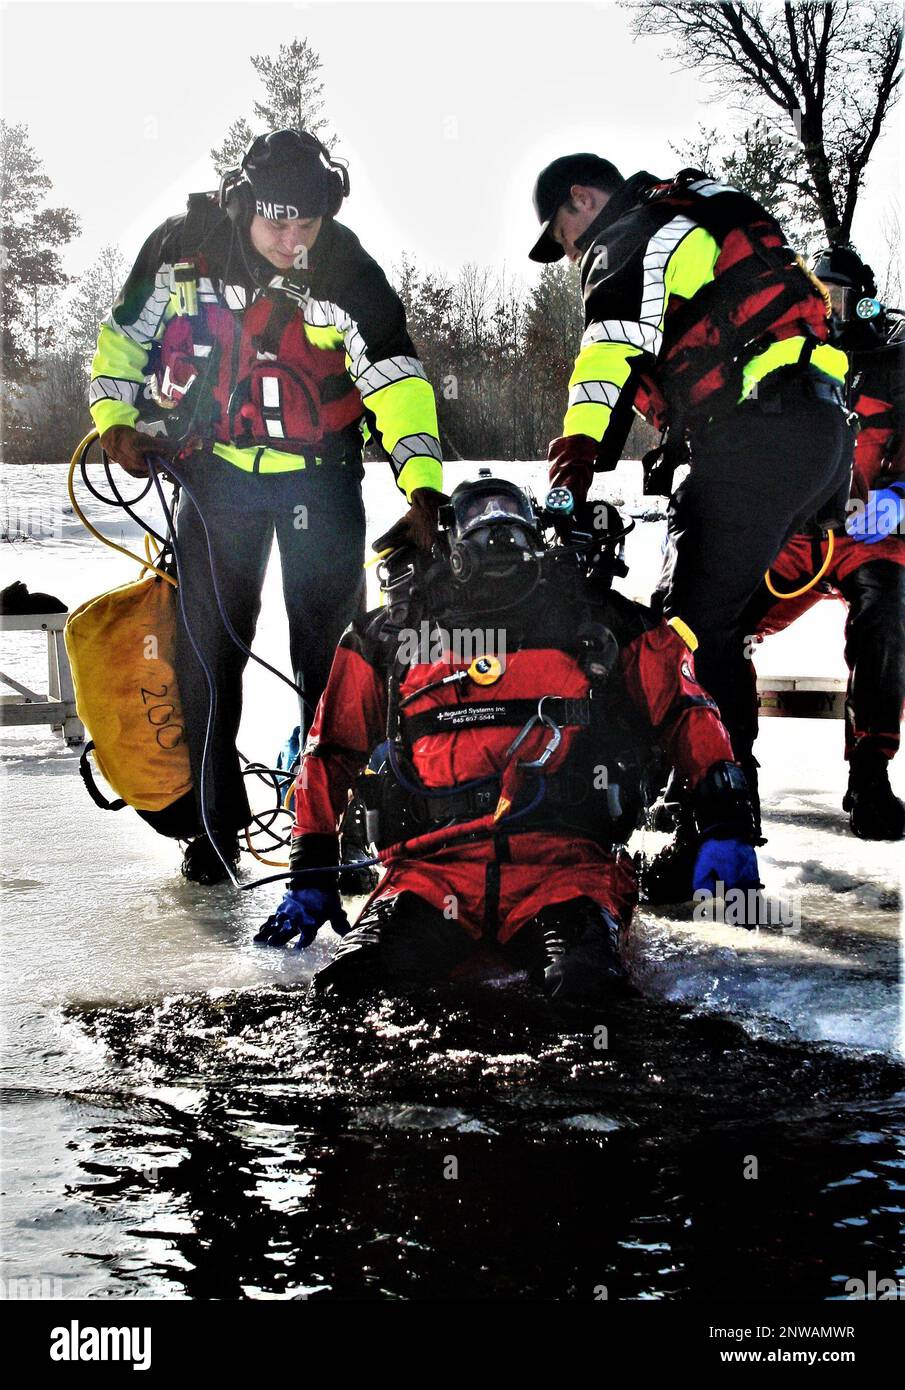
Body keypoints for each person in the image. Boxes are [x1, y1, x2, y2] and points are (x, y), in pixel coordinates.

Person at [88, 129, 444, 884]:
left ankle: (334, 835)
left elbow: (396, 378)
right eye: (277, 223)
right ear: (243, 205)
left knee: (333, 664)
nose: (291, 241)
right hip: (214, 476)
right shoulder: (182, 246)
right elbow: (122, 340)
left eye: (306, 225)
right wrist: (115, 419)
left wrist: (421, 483)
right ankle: (212, 836)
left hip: (320, 478)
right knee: (207, 658)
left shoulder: (348, 268)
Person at [255, 477, 761, 1001]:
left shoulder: (598, 620)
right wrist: (310, 867)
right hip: (428, 876)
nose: (497, 529)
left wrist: (726, 821)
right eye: (479, 515)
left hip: (566, 872)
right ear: (450, 539)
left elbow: (687, 711)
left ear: (536, 532)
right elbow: (330, 751)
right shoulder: (390, 635)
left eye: (510, 513)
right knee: (351, 988)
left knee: (587, 990)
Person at [527, 154, 855, 817]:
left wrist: (574, 464)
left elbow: (606, 358)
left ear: (582, 200)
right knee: (716, 628)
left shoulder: (624, 235)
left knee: (686, 633)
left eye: (563, 239)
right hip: (820, 433)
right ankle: (717, 801)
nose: (570, 258)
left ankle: (712, 816)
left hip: (762, 436)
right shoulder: (690, 217)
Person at [745, 247, 905, 839]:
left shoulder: (894, 365)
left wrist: (898, 494)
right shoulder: (780, 354)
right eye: (821, 296)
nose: (831, 311)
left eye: (841, 297)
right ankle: (718, 761)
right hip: (798, 529)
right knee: (715, 620)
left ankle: (870, 769)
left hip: (866, 530)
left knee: (886, 612)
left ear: (864, 299)